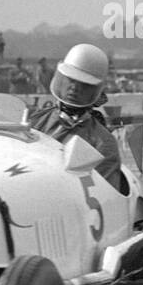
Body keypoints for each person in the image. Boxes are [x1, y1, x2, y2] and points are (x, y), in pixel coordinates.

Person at [28, 43, 123, 192]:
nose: (74, 88)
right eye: (71, 80)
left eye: (84, 85)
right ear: (61, 78)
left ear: (96, 90)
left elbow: (105, 197)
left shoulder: (103, 143)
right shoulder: (34, 121)